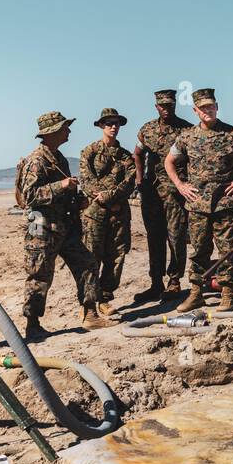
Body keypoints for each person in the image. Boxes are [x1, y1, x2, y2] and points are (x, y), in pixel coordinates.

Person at [164, 88, 233, 312]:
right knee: (199, 250)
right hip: (197, 204)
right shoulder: (187, 137)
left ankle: (227, 294)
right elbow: (169, 161)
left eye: (211, 106)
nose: (207, 111)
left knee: (228, 249)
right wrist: (180, 185)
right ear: (195, 111)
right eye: (203, 108)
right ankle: (196, 293)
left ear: (217, 107)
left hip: (225, 203)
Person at [18, 111, 111, 340]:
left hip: (62, 225)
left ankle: (90, 313)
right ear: (52, 132)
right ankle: (32, 324)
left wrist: (79, 201)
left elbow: (60, 194)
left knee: (87, 263)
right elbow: (29, 196)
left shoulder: (57, 158)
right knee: (39, 276)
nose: (68, 131)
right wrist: (62, 185)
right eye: (64, 128)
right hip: (40, 227)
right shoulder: (37, 160)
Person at [132, 89, 193, 303]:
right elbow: (137, 153)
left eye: (169, 105)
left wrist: (187, 183)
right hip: (151, 192)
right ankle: (155, 283)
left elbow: (194, 156)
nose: (166, 109)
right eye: (162, 106)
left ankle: (174, 281)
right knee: (154, 237)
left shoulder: (186, 129)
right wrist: (139, 178)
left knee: (176, 237)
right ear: (156, 106)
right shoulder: (147, 129)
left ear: (175, 104)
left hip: (175, 192)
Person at [78, 108, 137, 315]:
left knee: (117, 256)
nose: (113, 127)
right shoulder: (89, 152)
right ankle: (89, 303)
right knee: (92, 257)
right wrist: (103, 198)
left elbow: (129, 182)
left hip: (119, 212)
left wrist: (111, 197)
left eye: (116, 123)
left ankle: (105, 298)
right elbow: (86, 180)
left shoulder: (125, 156)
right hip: (95, 213)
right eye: (109, 123)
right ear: (101, 126)